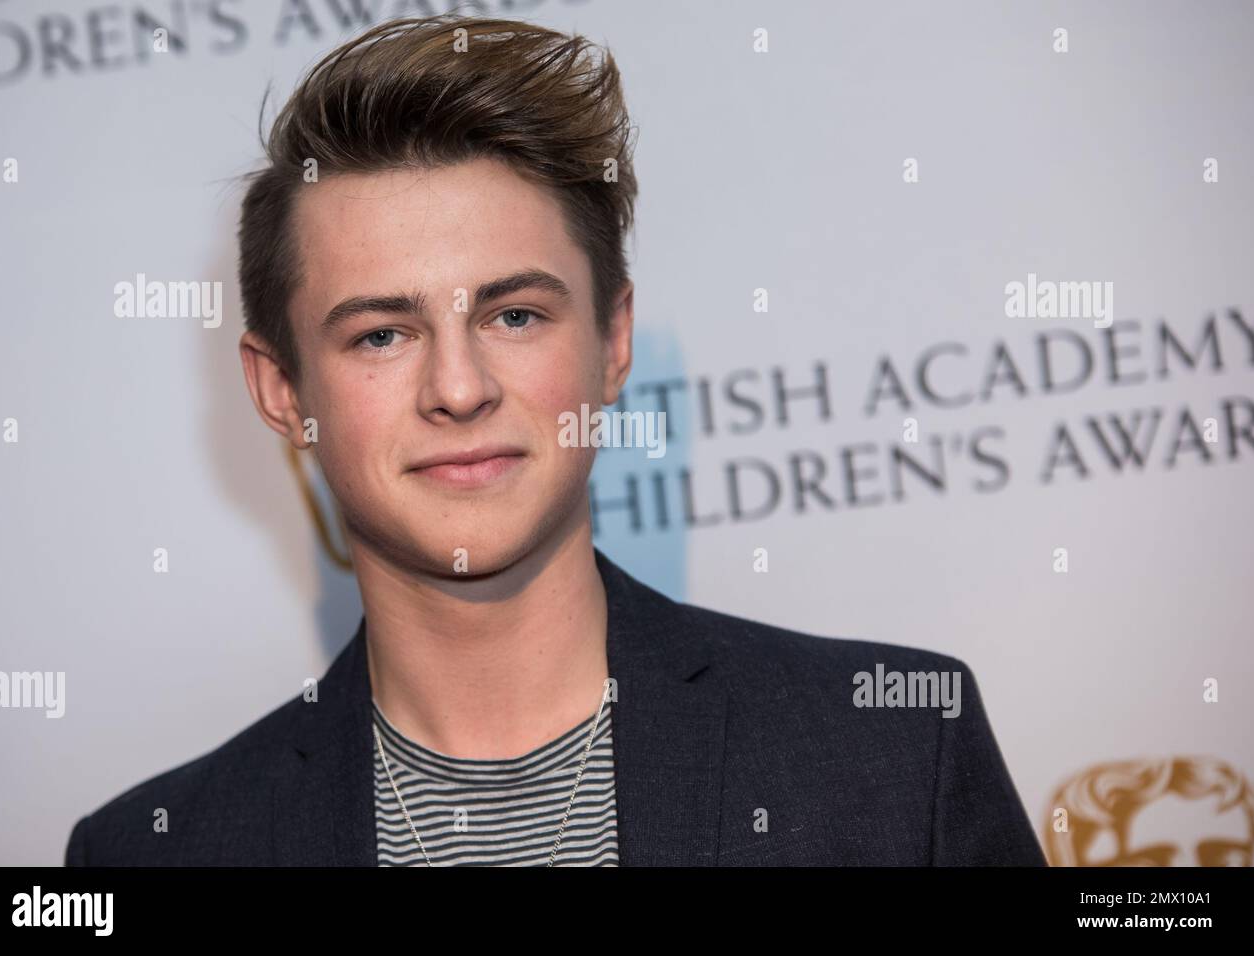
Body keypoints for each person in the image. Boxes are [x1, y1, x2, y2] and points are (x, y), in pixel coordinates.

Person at [65, 13, 1045, 867]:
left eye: (515, 316)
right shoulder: (156, 848)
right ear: (281, 389)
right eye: (381, 334)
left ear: (612, 343)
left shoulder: (893, 754)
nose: (457, 388)